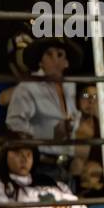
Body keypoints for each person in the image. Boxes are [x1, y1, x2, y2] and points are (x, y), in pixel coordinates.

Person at [5, 36, 81, 184]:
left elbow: (74, 121)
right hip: (41, 165)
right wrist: (48, 134)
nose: (55, 60)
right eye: (49, 54)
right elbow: (14, 125)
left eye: (60, 55)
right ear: (40, 61)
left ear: (66, 62)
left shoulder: (70, 87)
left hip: (67, 166)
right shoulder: (28, 87)